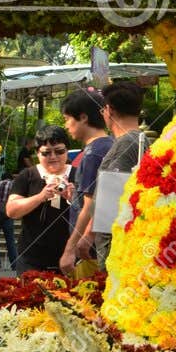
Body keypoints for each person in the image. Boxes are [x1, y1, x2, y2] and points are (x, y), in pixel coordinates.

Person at [91, 80, 146, 265]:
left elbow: (110, 199)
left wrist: (87, 235)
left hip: (115, 246)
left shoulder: (126, 143)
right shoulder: (141, 140)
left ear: (109, 110)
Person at [6, 125, 75, 273]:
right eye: (46, 153)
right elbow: (11, 211)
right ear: (37, 153)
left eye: (59, 151)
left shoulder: (78, 174)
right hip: (31, 258)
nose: (53, 157)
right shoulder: (27, 175)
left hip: (70, 257)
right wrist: (40, 197)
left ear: (67, 151)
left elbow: (92, 212)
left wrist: (73, 199)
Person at [59, 88, 111, 274]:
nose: (66, 125)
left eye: (67, 119)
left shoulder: (93, 153)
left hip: (91, 252)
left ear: (83, 117)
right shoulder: (110, 145)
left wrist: (70, 248)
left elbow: (92, 205)